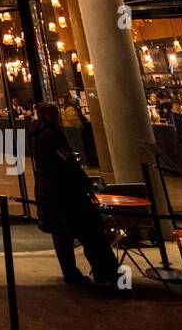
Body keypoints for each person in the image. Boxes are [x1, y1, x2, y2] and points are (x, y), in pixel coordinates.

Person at [29, 101, 119, 288]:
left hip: (48, 193)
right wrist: (84, 183)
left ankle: (71, 274)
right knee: (90, 232)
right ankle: (105, 273)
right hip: (65, 194)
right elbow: (67, 163)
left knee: (62, 238)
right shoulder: (51, 135)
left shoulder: (36, 135)